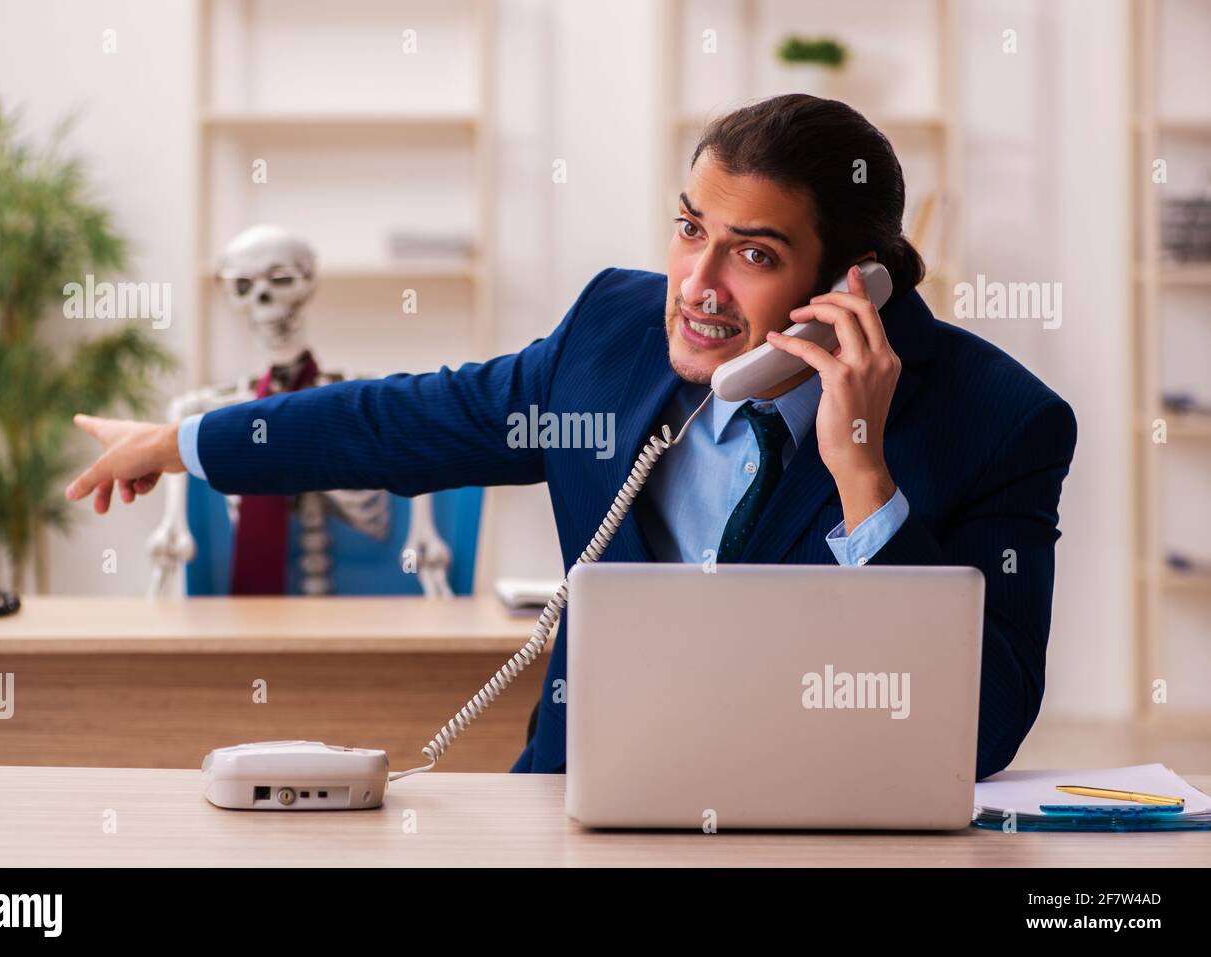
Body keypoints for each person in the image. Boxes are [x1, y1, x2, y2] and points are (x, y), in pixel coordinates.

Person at [67, 94, 1077, 779]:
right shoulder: (611, 337)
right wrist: (181, 444)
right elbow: (405, 421)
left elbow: (980, 730)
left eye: (751, 254)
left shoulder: (999, 423)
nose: (696, 285)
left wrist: (861, 475)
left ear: (847, 284)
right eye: (690, 231)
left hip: (813, 831)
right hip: (578, 808)